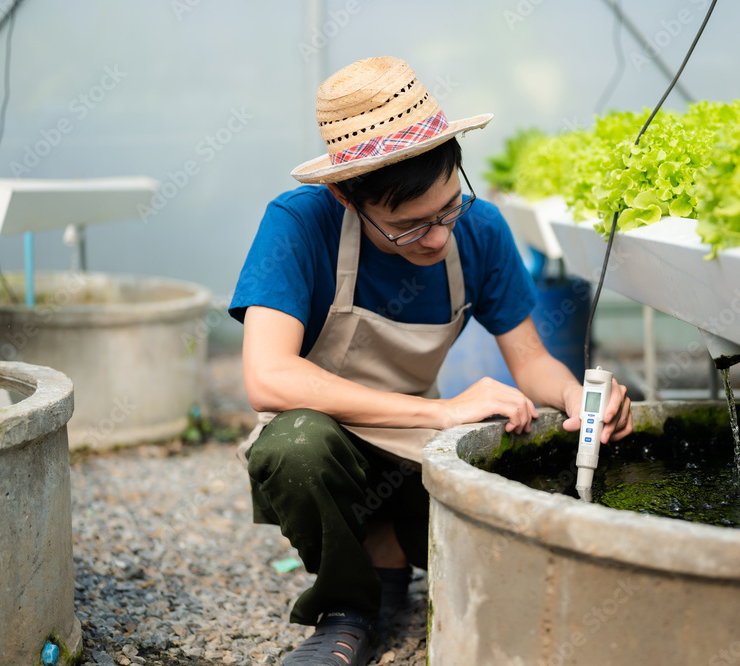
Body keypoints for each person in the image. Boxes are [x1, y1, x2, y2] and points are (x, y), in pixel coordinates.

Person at [228, 56, 633, 666]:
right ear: (345, 196)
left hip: (416, 446)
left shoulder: (482, 230)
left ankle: (395, 556)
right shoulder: (300, 224)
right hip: (331, 440)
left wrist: (578, 397)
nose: (440, 236)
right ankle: (347, 609)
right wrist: (445, 410)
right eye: (408, 227)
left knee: (524, 477)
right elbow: (268, 376)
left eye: (448, 208)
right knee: (295, 448)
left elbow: (532, 364)